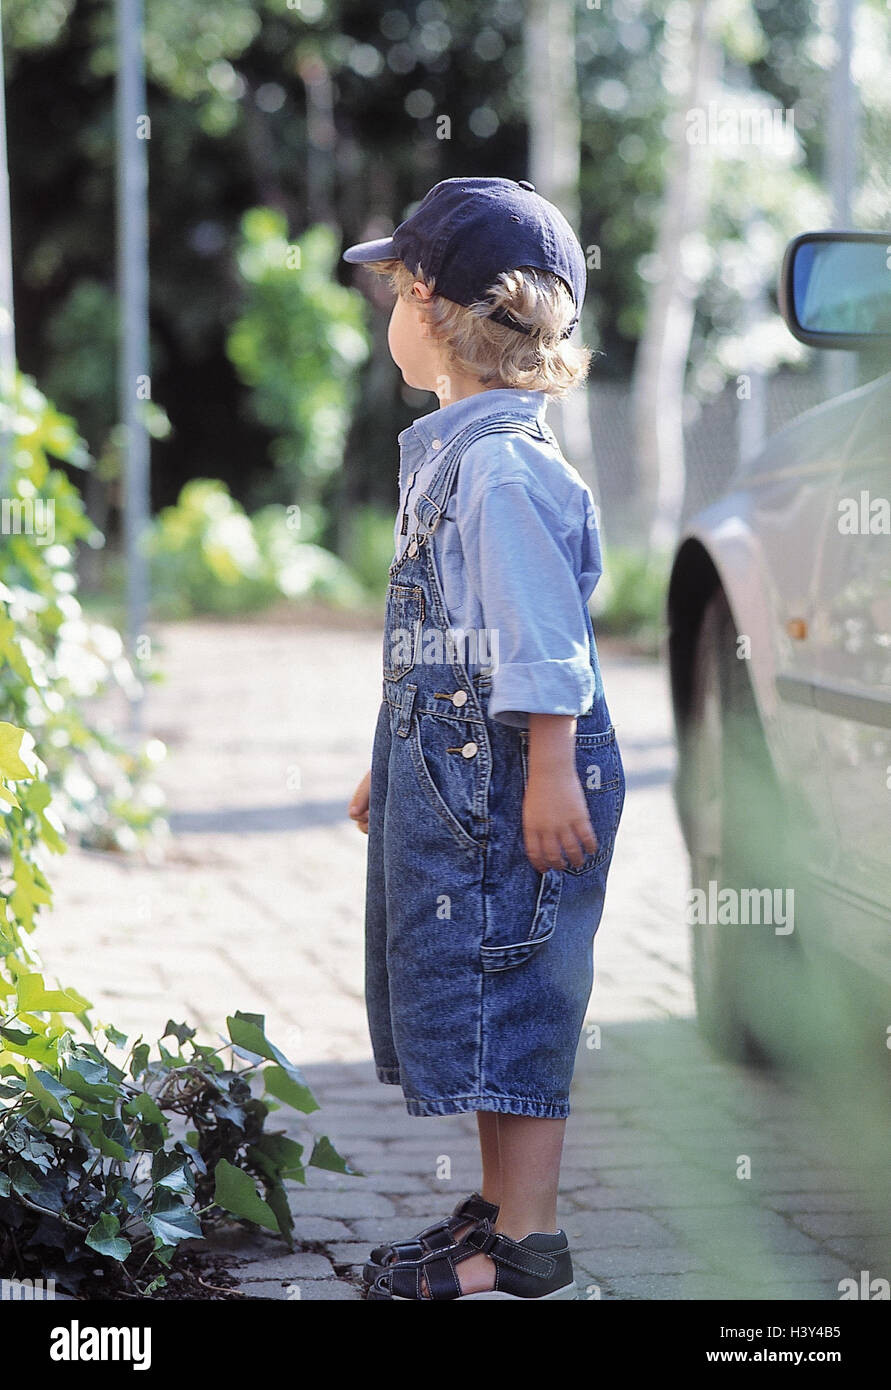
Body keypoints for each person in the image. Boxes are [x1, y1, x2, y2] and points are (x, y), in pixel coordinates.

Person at [344, 176, 625, 1301]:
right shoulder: (463, 450)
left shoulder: (500, 469)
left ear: (429, 303)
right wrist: (392, 752)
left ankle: (530, 1240)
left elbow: (541, 637)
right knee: (486, 986)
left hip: (520, 775)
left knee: (516, 993)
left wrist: (550, 769)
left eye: (393, 292)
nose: (387, 317)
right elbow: (450, 637)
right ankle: (504, 1214)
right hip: (473, 772)